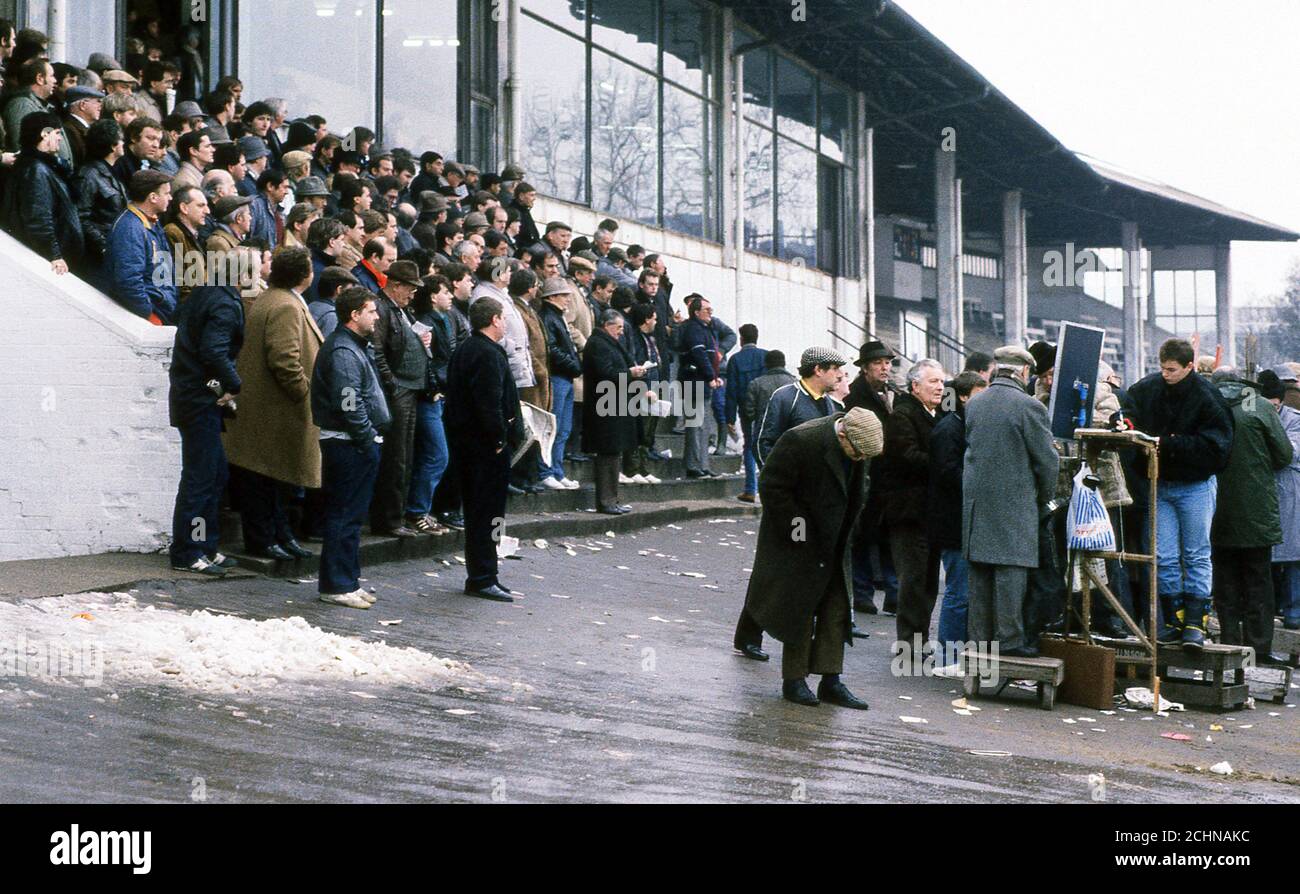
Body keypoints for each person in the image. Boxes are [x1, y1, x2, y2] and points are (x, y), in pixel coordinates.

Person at [741, 408, 885, 708]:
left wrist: (852, 527)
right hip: (799, 540)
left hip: (836, 539)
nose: (859, 459)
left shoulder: (859, 442)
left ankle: (831, 680)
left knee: (836, 609)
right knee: (800, 607)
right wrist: (799, 533)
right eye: (857, 454)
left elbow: (859, 487)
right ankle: (794, 679)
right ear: (843, 433)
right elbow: (773, 487)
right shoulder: (802, 439)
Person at [1120, 338, 1234, 649]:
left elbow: (1217, 447)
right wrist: (1126, 423)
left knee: (1195, 553)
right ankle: (1178, 621)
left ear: (1188, 367)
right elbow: (1129, 409)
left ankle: (1192, 623)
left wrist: (1165, 443)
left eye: (1172, 369)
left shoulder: (1207, 398)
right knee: (1166, 556)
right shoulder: (1152, 389)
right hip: (1167, 482)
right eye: (1163, 369)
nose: (1166, 374)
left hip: (1192, 484)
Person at [222, 246, 323, 562]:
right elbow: (284, 359)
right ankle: (264, 540)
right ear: (304, 275)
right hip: (274, 408)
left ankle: (280, 535)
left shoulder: (278, 299)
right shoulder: (285, 306)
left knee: (274, 481)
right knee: (264, 481)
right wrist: (303, 394)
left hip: (272, 408)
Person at [963, 346, 1060, 658]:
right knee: (1011, 572)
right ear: (1023, 372)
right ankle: (1009, 640)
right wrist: (1045, 498)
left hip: (977, 506)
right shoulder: (1030, 407)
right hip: (1015, 505)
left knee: (979, 575)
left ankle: (979, 643)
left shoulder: (975, 404)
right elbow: (1047, 462)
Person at [167, 250, 245, 576]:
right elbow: (213, 349)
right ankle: (188, 551)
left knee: (213, 475)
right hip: (199, 400)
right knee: (202, 478)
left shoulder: (205, 292)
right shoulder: (224, 302)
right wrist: (234, 384)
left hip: (193, 396)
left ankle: (205, 546)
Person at [312, 286, 390, 610]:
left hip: (353, 441)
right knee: (344, 514)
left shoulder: (354, 346)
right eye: (371, 311)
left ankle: (348, 580)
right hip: (347, 444)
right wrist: (366, 438)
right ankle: (336, 585)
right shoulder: (344, 351)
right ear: (354, 314)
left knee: (352, 515)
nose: (377, 316)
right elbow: (348, 401)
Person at [444, 295, 524, 602]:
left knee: (484, 513)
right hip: (483, 448)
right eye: (503, 317)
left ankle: (485, 573)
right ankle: (483, 576)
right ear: (494, 319)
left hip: (470, 444)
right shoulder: (487, 353)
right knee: (487, 514)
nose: (505, 322)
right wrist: (499, 439)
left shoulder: (468, 348)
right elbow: (488, 403)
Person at [1210, 371, 1293, 664]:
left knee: (1226, 583)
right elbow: (1284, 454)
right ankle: (1260, 650)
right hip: (1257, 508)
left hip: (1216, 507)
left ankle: (1230, 648)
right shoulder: (1258, 406)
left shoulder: (1208, 404)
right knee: (1259, 582)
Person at [875, 358, 946, 661]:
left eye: (942, 382)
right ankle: (908, 641)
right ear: (915, 386)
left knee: (929, 579)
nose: (940, 387)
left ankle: (921, 638)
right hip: (908, 512)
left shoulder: (938, 414)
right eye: (933, 382)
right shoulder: (903, 416)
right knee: (913, 579)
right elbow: (908, 457)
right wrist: (944, 462)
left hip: (930, 513)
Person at [929, 371, 987, 663]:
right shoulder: (949, 429)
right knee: (959, 592)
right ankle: (947, 657)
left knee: (963, 592)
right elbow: (947, 473)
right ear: (964, 397)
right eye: (979, 394)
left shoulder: (962, 426)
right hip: (954, 524)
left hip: (963, 522)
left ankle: (954, 654)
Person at [368, 259, 428, 539]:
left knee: (404, 455)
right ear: (395, 285)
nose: (413, 294)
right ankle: (389, 519)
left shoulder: (401, 310)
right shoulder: (382, 309)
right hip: (398, 390)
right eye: (410, 289)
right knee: (396, 457)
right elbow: (376, 351)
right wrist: (391, 385)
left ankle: (396, 516)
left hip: (408, 389)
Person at [844, 340, 901, 616]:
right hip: (866, 475)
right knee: (864, 537)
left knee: (889, 536)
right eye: (878, 363)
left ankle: (893, 594)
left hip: (889, 478)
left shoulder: (893, 394)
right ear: (865, 368)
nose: (884, 368)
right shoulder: (853, 395)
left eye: (887, 363)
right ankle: (863, 594)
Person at [404, 275, 457, 534]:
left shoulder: (439, 320)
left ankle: (422, 509)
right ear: (434, 296)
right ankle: (416, 511)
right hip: (429, 397)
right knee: (437, 455)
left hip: (436, 395)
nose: (451, 296)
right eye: (446, 291)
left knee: (434, 454)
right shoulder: (426, 323)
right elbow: (427, 362)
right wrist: (434, 389)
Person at [1, 111, 83, 276]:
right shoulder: (36, 170)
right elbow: (39, 217)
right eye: (58, 133)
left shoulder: (43, 167)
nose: (60, 139)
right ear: (45, 134)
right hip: (49, 261)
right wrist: (54, 255)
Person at [583, 308, 648, 515]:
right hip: (605, 405)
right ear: (606, 325)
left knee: (614, 452)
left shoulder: (608, 343)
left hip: (613, 404)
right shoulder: (597, 344)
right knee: (608, 453)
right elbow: (605, 374)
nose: (621, 331)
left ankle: (612, 498)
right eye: (618, 327)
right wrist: (630, 373)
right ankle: (606, 500)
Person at [106, 169, 176, 323]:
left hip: (163, 308)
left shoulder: (151, 221)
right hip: (152, 314)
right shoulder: (130, 228)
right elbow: (129, 281)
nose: (170, 198)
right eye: (167, 193)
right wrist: (148, 314)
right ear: (153, 197)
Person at [756, 347, 845, 463]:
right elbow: (766, 443)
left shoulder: (832, 403)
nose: (841, 375)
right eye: (835, 368)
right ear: (818, 370)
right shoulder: (785, 397)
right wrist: (778, 477)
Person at [536, 276, 583, 490]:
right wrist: (574, 365)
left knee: (562, 429)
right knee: (553, 428)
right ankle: (548, 470)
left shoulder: (555, 316)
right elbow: (552, 349)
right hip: (558, 377)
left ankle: (556, 470)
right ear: (553, 297)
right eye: (565, 296)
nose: (568, 300)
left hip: (563, 377)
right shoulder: (549, 317)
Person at [1265, 369, 1300, 632]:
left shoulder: (1294, 420)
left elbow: (1287, 452)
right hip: (1265, 491)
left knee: (1292, 556)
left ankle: (1293, 613)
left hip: (1288, 490)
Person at [678, 296, 723, 478]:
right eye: (707, 310)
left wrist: (713, 376)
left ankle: (702, 465)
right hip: (694, 381)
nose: (711, 313)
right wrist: (711, 376)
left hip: (700, 381)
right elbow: (699, 354)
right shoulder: (693, 329)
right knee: (696, 425)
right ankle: (695, 465)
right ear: (696, 312)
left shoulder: (704, 329)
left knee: (702, 425)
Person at [724, 324, 768, 502]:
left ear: (741, 339)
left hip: (746, 410)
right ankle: (767, 488)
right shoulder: (766, 356)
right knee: (765, 447)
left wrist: (729, 417)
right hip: (765, 409)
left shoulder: (735, 360)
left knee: (749, 446)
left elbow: (731, 391)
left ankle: (751, 489)